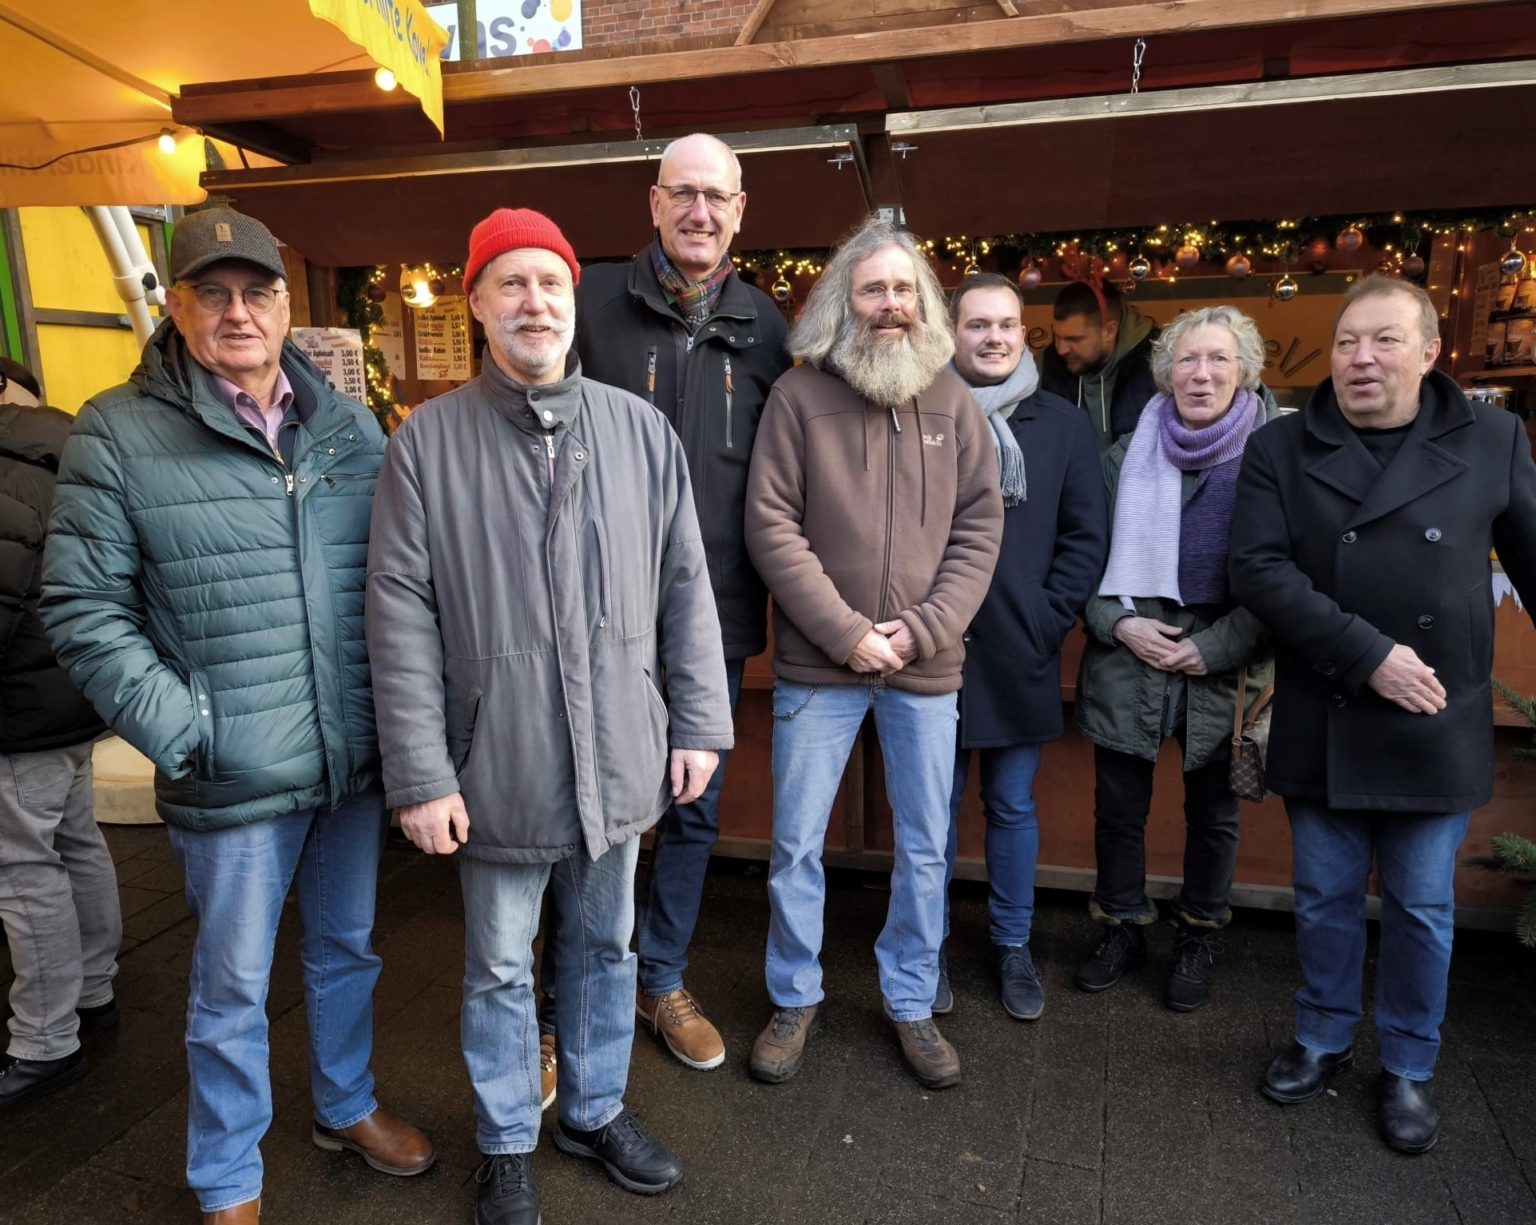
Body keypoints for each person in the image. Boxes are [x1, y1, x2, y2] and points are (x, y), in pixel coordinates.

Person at [39, 208, 431, 1224]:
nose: (238, 312)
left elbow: (396, 578)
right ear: (176, 306)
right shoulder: (115, 431)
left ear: (286, 303)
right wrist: (184, 727)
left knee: (349, 949)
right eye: (212, 292)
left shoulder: (344, 423)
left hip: (350, 756)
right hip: (231, 766)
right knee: (230, 986)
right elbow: (82, 608)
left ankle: (344, 1105)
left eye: (256, 291)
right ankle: (227, 1176)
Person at [366, 208, 733, 1225]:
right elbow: (396, 619)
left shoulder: (640, 432)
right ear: (477, 302)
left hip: (621, 746)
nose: (535, 301)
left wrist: (697, 721)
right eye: (511, 283)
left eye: (551, 284)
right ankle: (505, 1138)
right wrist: (423, 774)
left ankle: (596, 1107)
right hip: (498, 764)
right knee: (495, 963)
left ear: (574, 301)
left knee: (607, 946)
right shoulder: (426, 446)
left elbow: (684, 589)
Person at [1230, 275, 1536, 1155]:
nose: (1361, 359)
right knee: (1324, 897)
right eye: (1347, 342)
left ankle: (1407, 1063)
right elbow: (1257, 570)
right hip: (1331, 703)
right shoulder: (1282, 447)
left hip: (1438, 713)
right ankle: (1322, 1037)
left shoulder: (1494, 437)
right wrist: (1370, 656)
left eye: (1386, 340)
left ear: (1433, 350)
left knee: (1421, 905)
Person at [744, 216, 1002, 1090]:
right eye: (871, 289)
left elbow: (979, 527)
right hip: (822, 665)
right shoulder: (798, 396)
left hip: (926, 667)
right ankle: (793, 993)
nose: (889, 305)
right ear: (840, 303)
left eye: (903, 289)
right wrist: (846, 630)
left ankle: (911, 997)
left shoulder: (953, 399)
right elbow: (770, 524)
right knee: (796, 844)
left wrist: (920, 629)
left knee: (927, 845)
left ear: (921, 300)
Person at [570, 132, 791, 1073]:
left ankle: (659, 977)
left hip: (718, 612)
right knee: (582, 801)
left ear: (741, 211)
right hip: (599, 608)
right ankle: (565, 994)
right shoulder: (590, 304)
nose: (700, 211)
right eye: (683, 193)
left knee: (693, 806)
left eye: (718, 196)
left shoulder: (768, 325)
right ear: (653, 204)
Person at [1072, 305, 1276, 1013]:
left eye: (1219, 359)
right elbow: (1081, 568)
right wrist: (1119, 623)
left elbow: (1290, 575)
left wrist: (1216, 644)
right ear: (1165, 372)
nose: (1202, 373)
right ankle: (1122, 923)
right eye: (1187, 360)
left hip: (1230, 657)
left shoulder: (1277, 454)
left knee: (1214, 812)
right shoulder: (1120, 455)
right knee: (1119, 807)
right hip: (1130, 651)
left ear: (1245, 370)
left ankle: (1198, 931)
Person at [939, 275, 1108, 1021]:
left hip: (1019, 647)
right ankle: (927, 945)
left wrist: (1045, 620)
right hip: (932, 650)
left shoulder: (1065, 427)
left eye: (1008, 324)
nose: (995, 337)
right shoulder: (920, 412)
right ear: (952, 335)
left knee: (1011, 804)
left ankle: (1012, 945)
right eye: (979, 325)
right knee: (929, 814)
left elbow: (1085, 540)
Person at [0, 357, 118, 1116]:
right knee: (76, 839)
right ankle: (96, 982)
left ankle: (45, 1037)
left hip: (17, 705)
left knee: (20, 867)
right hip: (72, 690)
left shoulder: (8, 467)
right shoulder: (71, 450)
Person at [1039, 279, 1159, 451]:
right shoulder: (1044, 365)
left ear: (1109, 331)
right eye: (1056, 336)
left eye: (1074, 339)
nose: (1060, 349)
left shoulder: (1159, 364)